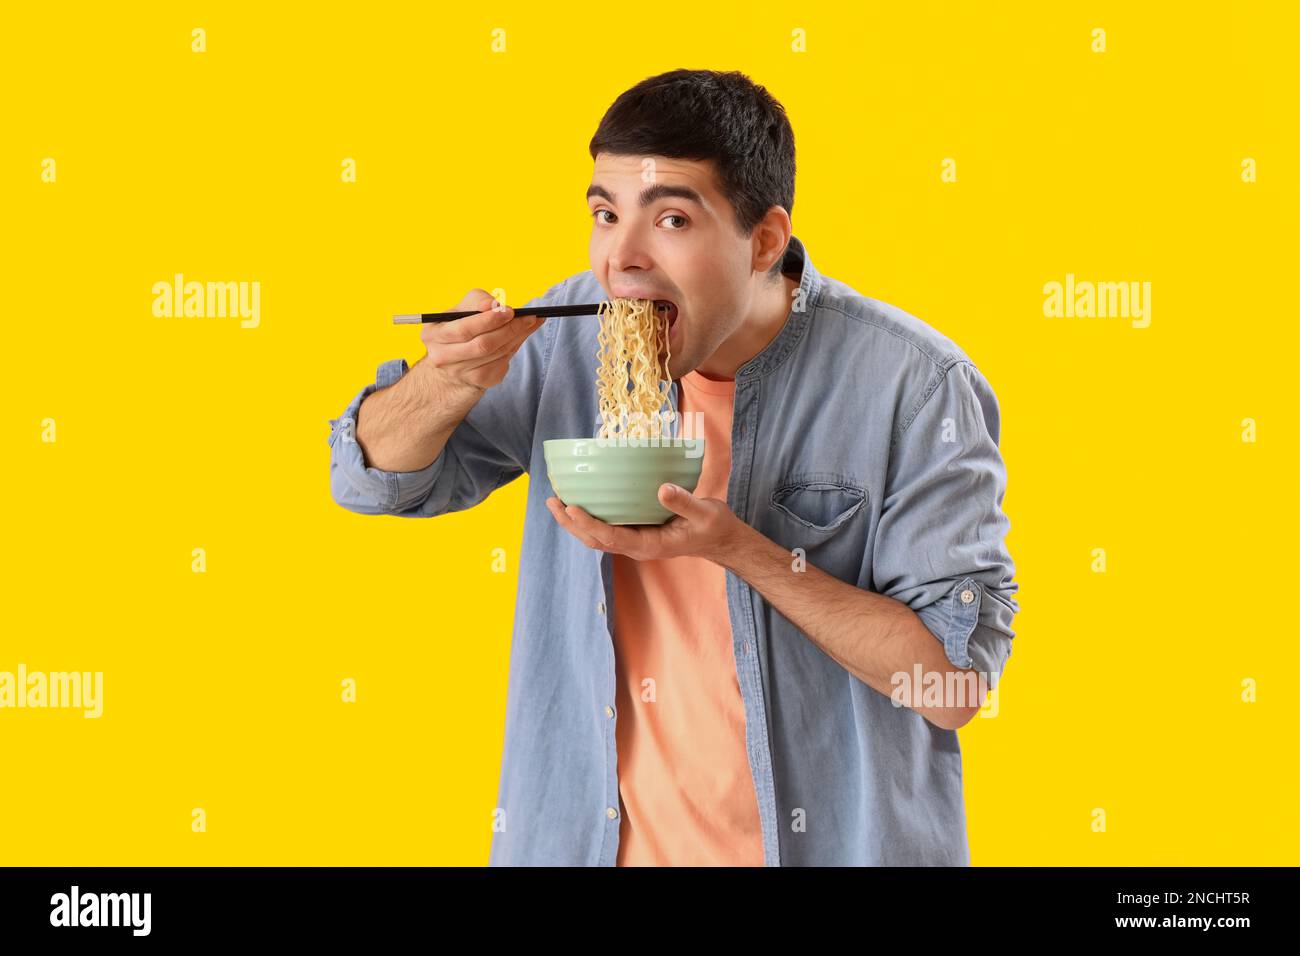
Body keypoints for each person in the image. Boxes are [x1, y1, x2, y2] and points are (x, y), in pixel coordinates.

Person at [328, 69, 1020, 866]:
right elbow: (369, 478)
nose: (622, 258)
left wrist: (735, 547)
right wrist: (446, 380)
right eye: (605, 213)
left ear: (764, 240)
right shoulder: (564, 339)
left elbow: (952, 685)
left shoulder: (911, 386)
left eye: (671, 219)